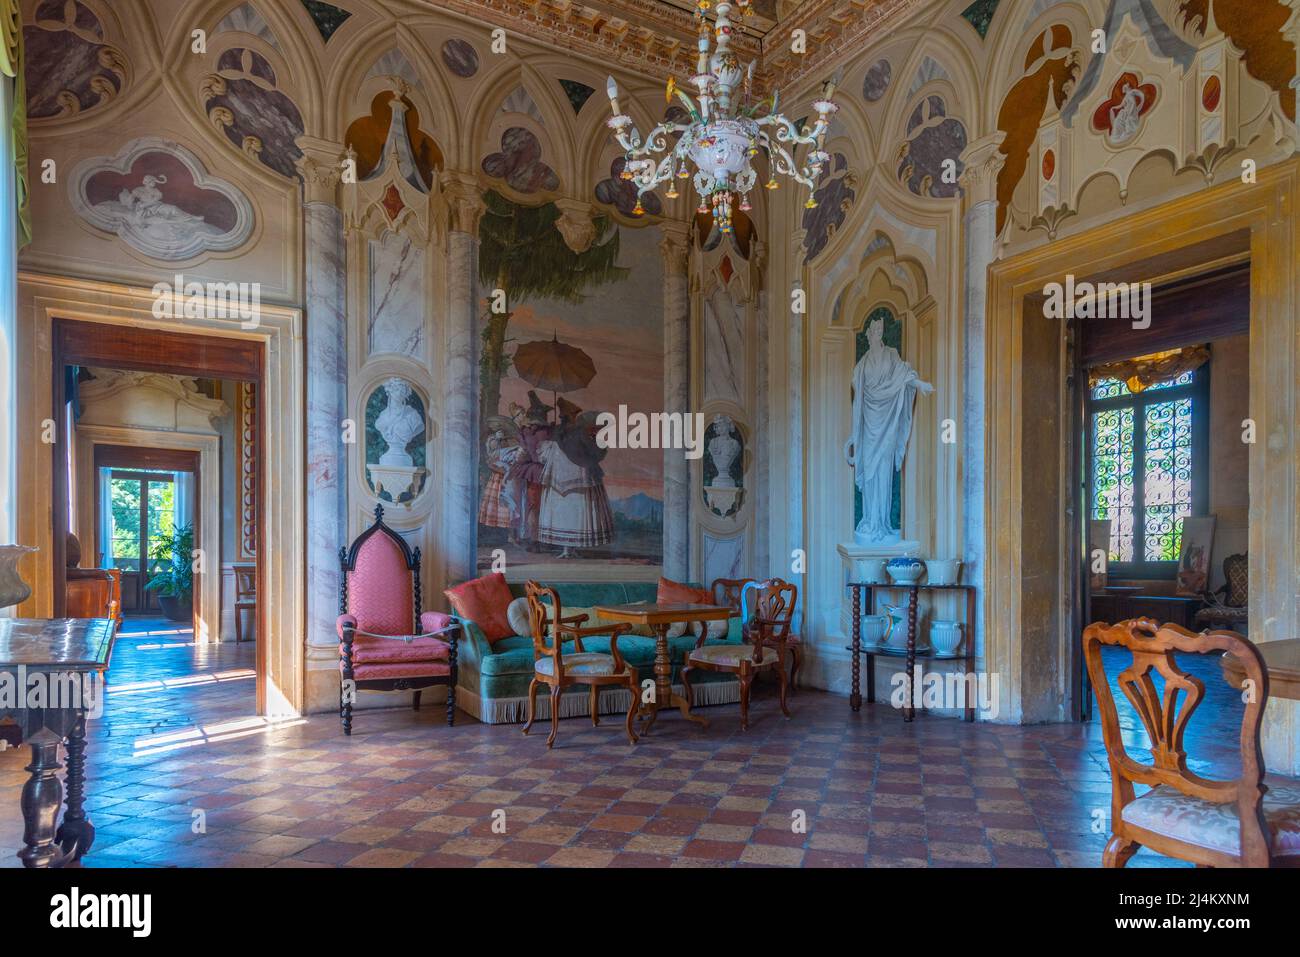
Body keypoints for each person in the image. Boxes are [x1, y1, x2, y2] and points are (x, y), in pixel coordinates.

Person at [843, 318, 933, 544]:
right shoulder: (862, 364)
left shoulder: (892, 355)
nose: (878, 333)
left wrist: (920, 384)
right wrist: (854, 435)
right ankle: (870, 519)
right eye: (874, 330)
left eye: (880, 330)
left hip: (887, 422)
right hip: (868, 426)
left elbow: (904, 376)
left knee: (883, 471)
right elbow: (857, 393)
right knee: (870, 473)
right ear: (868, 334)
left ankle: (881, 522)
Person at [536, 399, 614, 558]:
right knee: (575, 511)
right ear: (571, 416)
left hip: (558, 478)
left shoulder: (556, 432)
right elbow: (596, 453)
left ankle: (567, 549)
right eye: (575, 414)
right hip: (579, 477)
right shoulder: (580, 432)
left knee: (565, 511)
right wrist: (599, 442)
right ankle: (569, 549)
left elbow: (544, 454)